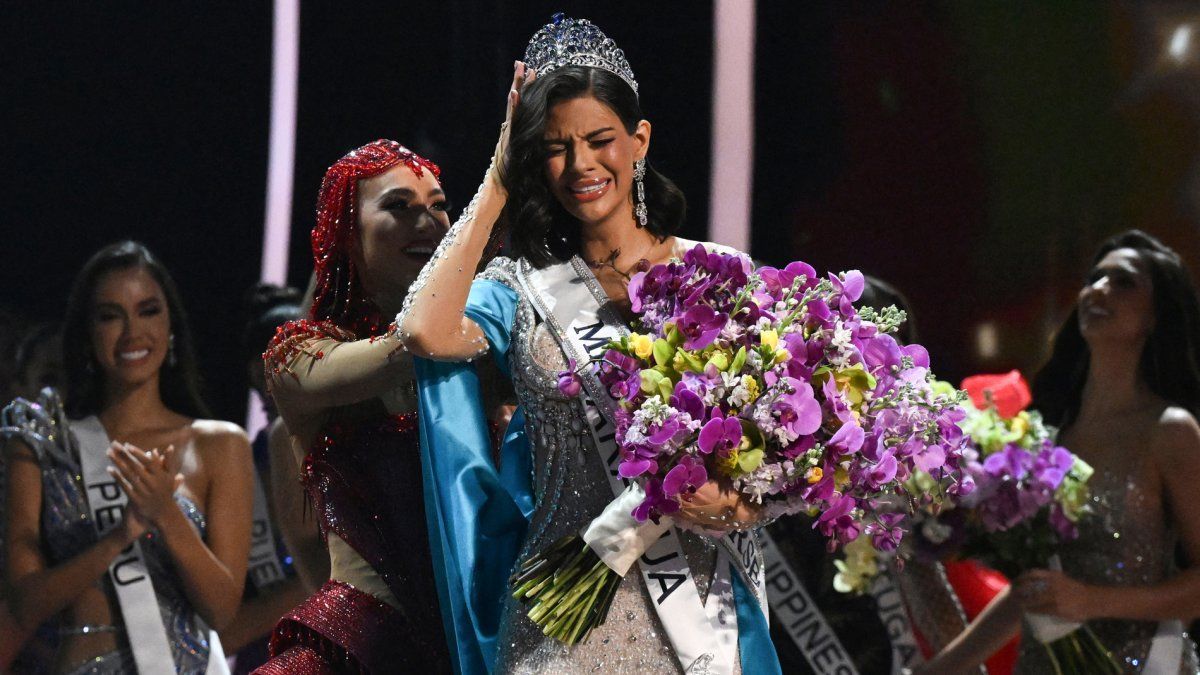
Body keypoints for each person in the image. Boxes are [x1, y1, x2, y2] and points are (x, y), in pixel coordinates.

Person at [400, 14, 780, 674]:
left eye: (600, 140)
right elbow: (423, 328)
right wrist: (496, 178)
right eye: (554, 148)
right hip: (558, 632)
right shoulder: (518, 289)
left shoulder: (722, 275)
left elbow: (782, 449)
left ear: (639, 140)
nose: (581, 165)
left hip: (701, 621)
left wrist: (743, 504)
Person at [918, 230, 1200, 673]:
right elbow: (1035, 591)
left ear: (1156, 315)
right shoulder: (1047, 431)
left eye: (1123, 282)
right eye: (1094, 278)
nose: (1099, 289)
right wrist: (942, 667)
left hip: (1143, 663)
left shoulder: (1169, 431)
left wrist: (1092, 600)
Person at [2, 240, 253, 674]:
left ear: (171, 324)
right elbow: (25, 606)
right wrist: (120, 536)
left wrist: (166, 514)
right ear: (87, 333)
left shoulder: (220, 445)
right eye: (110, 316)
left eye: (148, 310)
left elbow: (221, 612)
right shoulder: (43, 444)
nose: (132, 332)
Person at [252, 139, 452, 674]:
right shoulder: (297, 356)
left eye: (438, 205)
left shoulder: (474, 349)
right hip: (354, 651)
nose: (427, 221)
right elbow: (409, 348)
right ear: (346, 233)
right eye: (398, 206)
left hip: (481, 642)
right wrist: (495, 193)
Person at [220, 284, 309, 673]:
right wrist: (329, 585)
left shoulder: (355, 454)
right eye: (297, 351)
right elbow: (219, 631)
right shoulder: (233, 472)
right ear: (259, 371)